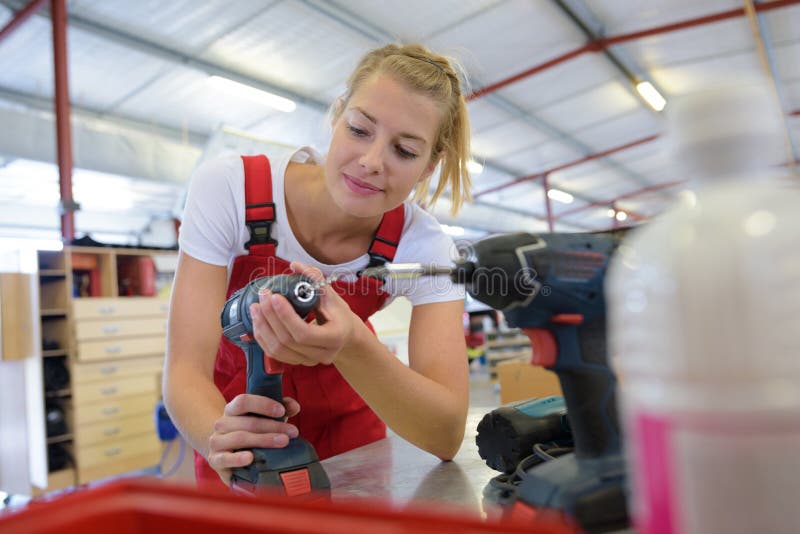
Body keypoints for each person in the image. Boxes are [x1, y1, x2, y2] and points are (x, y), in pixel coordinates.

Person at [164, 42, 473, 490]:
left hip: (354, 449)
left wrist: (350, 342)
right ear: (336, 114)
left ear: (428, 167)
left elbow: (445, 434)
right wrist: (225, 441)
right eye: (360, 129)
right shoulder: (230, 188)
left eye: (404, 151)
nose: (371, 163)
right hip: (234, 434)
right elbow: (184, 373)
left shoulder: (426, 249)